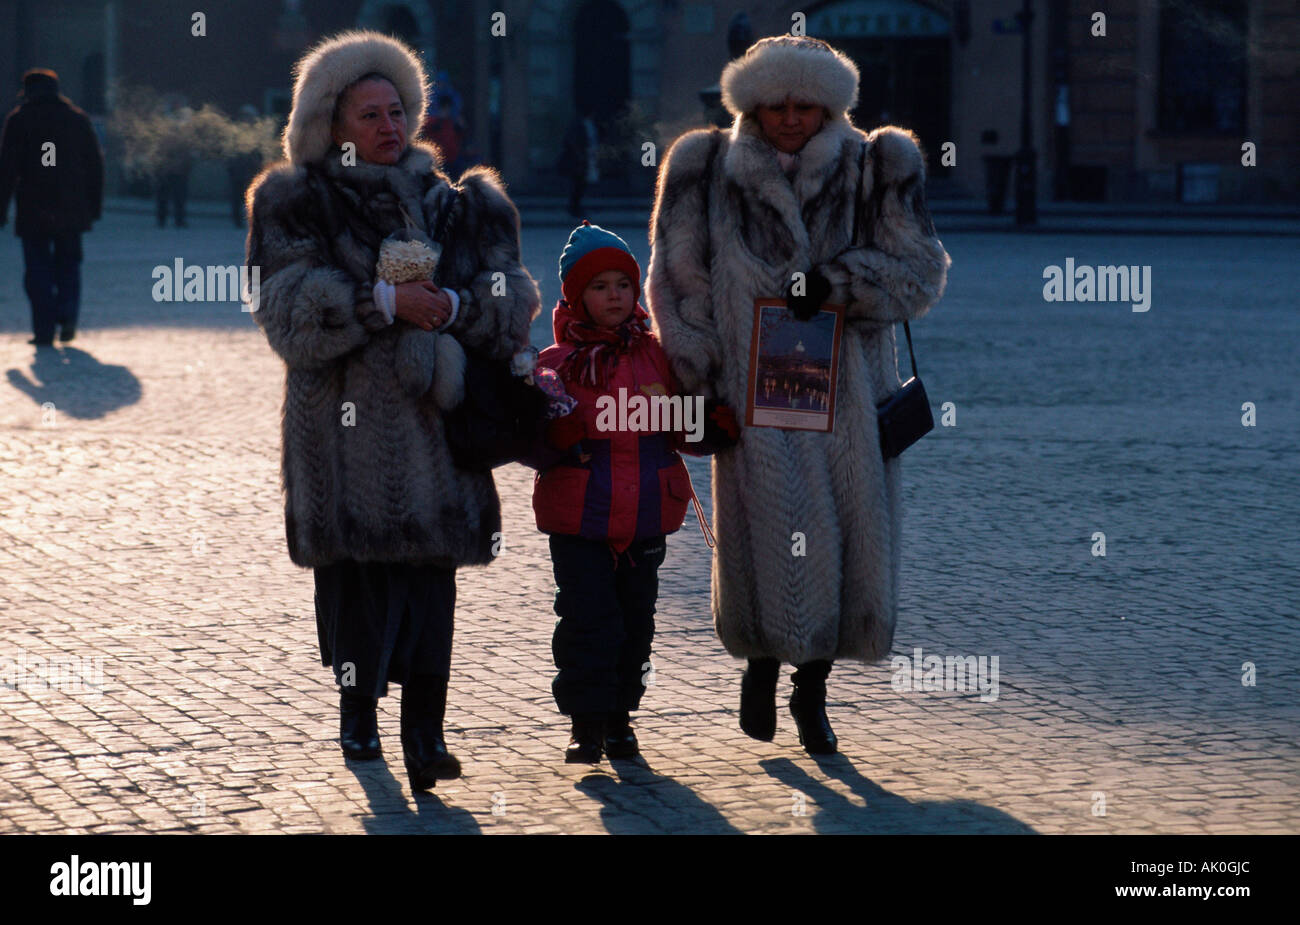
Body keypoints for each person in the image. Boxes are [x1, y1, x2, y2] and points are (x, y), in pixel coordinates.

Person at [244, 31, 540, 792]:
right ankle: (358, 711)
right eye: (368, 113)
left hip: (438, 437)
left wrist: (455, 307)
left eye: (397, 111)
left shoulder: (455, 205)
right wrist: (380, 302)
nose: (388, 125)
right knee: (359, 587)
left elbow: (511, 297)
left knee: (431, 586)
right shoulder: (296, 200)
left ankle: (427, 735)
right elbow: (285, 312)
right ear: (331, 124)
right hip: (343, 436)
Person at [645, 36, 951, 754]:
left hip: (845, 393)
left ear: (830, 105)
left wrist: (838, 283)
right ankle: (758, 661)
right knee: (761, 532)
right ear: (751, 105)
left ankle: (811, 689)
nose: (790, 119)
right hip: (751, 390)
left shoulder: (878, 164)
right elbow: (677, 276)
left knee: (844, 537)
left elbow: (920, 271)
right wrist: (700, 376)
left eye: (805, 106)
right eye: (776, 105)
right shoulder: (705, 164)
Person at [531, 221, 736, 763]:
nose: (614, 296)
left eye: (622, 284)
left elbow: (680, 428)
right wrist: (556, 436)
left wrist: (710, 425)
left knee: (636, 623)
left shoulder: (659, 356)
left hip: (646, 514)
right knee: (584, 621)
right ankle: (586, 723)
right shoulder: (555, 366)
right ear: (576, 298)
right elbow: (529, 438)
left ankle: (622, 717)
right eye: (599, 287)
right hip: (580, 520)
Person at [0, 68, 104, 347]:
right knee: (69, 265)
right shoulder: (77, 119)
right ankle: (68, 315)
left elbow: (7, 171)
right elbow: (95, 164)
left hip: (34, 208)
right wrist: (93, 206)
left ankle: (44, 330)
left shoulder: (20, 120)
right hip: (71, 207)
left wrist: (2, 209)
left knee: (38, 270)